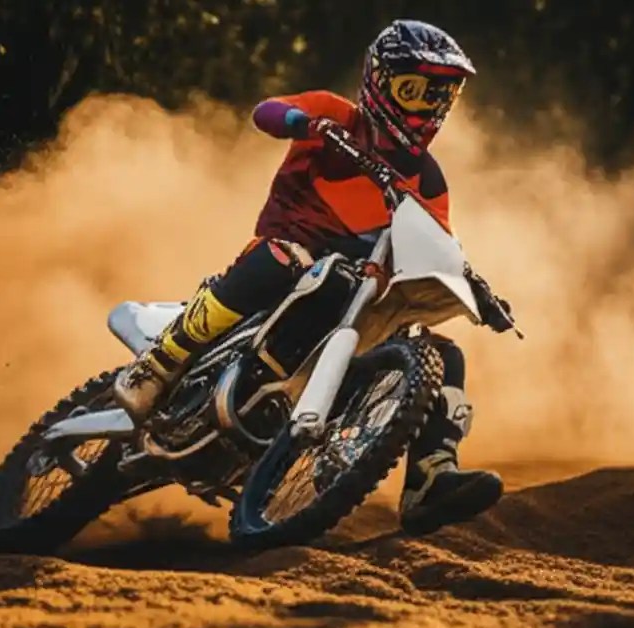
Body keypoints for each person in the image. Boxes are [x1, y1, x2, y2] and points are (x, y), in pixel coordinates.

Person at [112, 19, 514, 535]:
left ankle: (430, 478)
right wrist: (301, 121)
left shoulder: (429, 180)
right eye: (412, 90)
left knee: (445, 355)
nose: (425, 107)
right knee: (284, 258)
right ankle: (159, 364)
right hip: (287, 253)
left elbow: (432, 240)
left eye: (439, 95)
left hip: (355, 290)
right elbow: (267, 112)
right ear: (379, 81)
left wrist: (469, 282)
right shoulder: (335, 116)